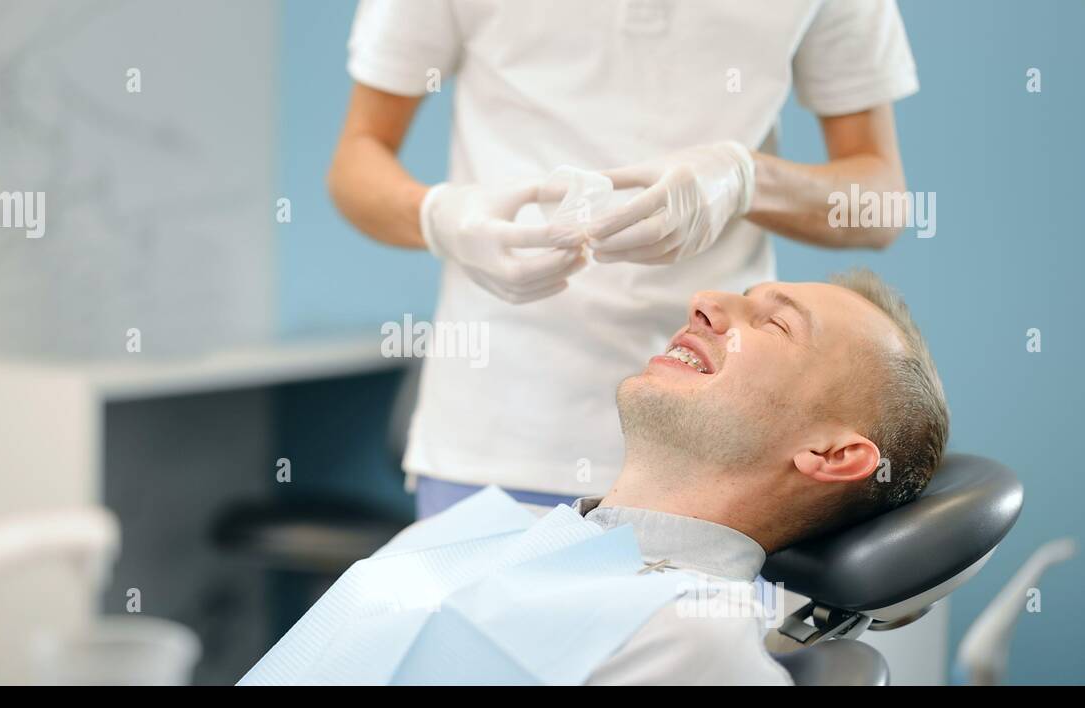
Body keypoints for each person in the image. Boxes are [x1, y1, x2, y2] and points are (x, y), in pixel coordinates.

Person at [328, 0, 921, 518]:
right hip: (502, 428)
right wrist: (441, 217)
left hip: (725, 460)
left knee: (699, 643)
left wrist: (745, 180)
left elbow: (882, 202)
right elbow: (357, 159)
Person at [243, 268, 949, 685]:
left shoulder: (693, 642)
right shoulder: (483, 525)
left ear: (831, 455)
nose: (706, 301)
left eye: (776, 324)